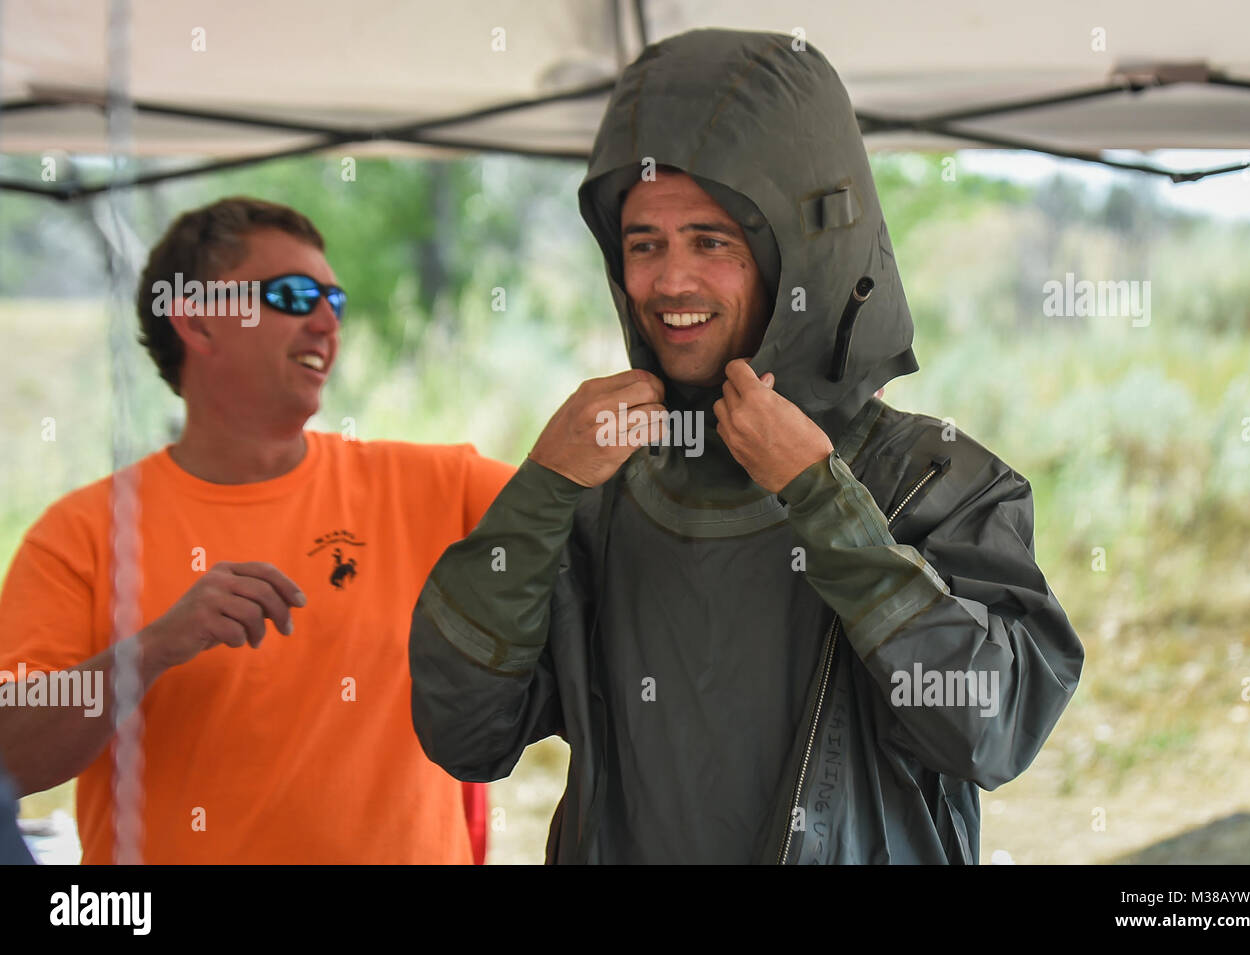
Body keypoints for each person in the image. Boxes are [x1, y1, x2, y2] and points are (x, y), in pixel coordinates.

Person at [409, 29, 1085, 864]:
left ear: (801, 255)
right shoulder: (603, 490)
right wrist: (543, 485)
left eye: (711, 241)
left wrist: (820, 495)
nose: (669, 281)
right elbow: (466, 732)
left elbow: (990, 725)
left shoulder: (933, 478)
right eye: (643, 244)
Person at [0, 197, 512, 864]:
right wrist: (152, 649)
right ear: (197, 320)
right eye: (295, 295)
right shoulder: (82, 532)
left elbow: (607, 518)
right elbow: (12, 754)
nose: (328, 320)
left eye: (336, 299)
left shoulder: (439, 486)